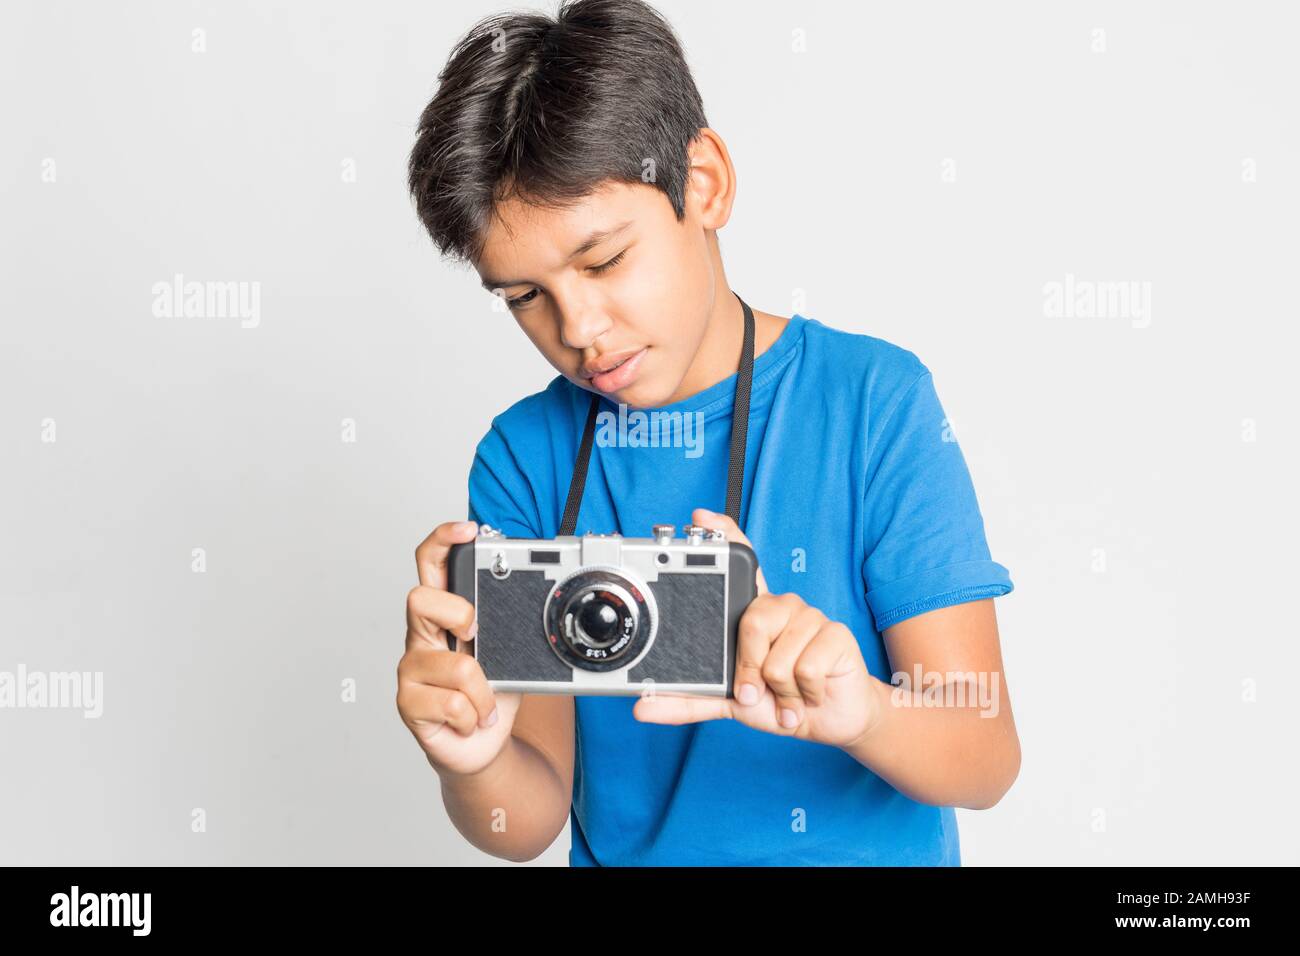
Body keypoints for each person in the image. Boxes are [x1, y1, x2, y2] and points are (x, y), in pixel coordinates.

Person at [398, 0, 1019, 865]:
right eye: (523, 296)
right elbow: (527, 821)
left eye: (605, 260)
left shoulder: (872, 401)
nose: (578, 327)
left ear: (706, 184)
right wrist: (470, 755)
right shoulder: (524, 457)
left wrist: (860, 711)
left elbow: (985, 759)